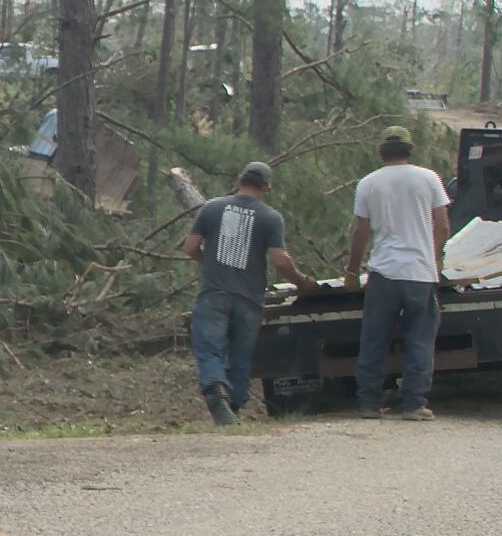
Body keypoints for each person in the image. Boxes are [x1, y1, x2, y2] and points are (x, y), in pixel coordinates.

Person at [181, 161, 317, 424]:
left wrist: (207, 260)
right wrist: (302, 282)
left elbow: (189, 247)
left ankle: (216, 393)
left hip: (214, 295)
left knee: (210, 350)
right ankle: (233, 405)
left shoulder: (212, 208)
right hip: (249, 301)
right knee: (241, 357)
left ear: (240, 180)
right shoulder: (270, 217)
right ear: (266, 187)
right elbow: (280, 260)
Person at [347, 125, 449, 421]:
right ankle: (414, 404)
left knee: (374, 339)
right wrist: (435, 261)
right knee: (419, 339)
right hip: (420, 273)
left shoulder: (368, 183)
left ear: (382, 152)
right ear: (409, 150)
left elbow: (360, 232)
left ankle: (368, 404)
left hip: (384, 273)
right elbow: (442, 226)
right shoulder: (429, 178)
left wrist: (352, 271)